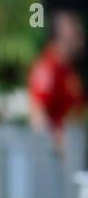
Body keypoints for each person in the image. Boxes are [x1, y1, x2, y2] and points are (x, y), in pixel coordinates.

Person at [28, 11, 85, 150]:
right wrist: (58, 147)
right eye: (72, 24)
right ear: (60, 33)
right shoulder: (47, 67)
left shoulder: (68, 70)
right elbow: (37, 115)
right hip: (60, 162)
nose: (79, 29)